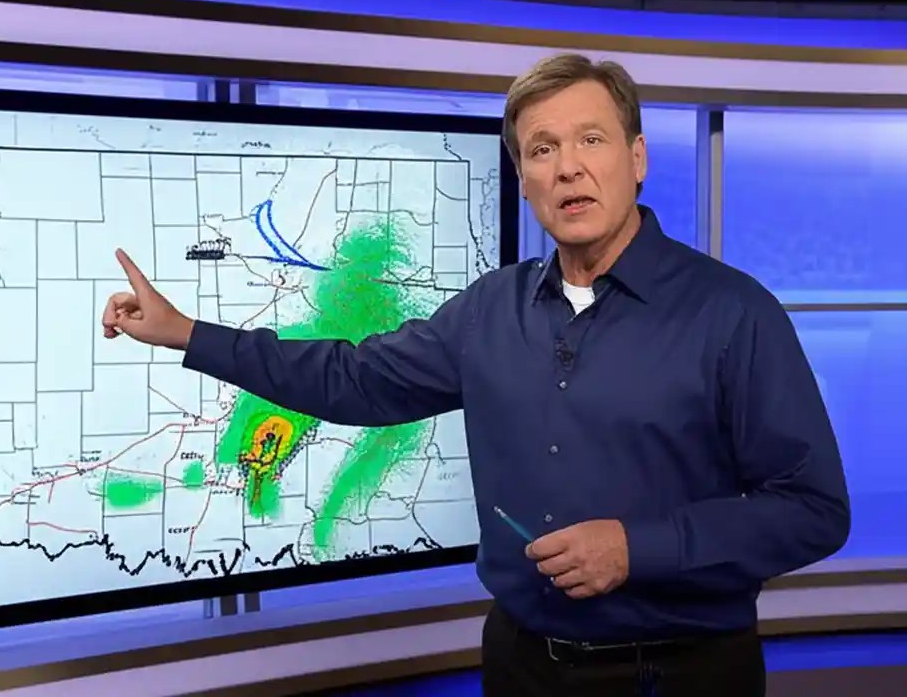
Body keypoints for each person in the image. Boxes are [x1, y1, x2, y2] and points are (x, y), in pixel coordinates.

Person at [100, 53, 851, 696]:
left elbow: (812, 509)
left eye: (591, 139)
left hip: (677, 675)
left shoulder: (733, 314)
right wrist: (186, 334)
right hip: (523, 667)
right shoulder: (492, 311)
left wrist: (638, 546)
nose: (568, 167)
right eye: (542, 149)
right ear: (523, 178)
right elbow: (354, 380)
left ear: (638, 157)